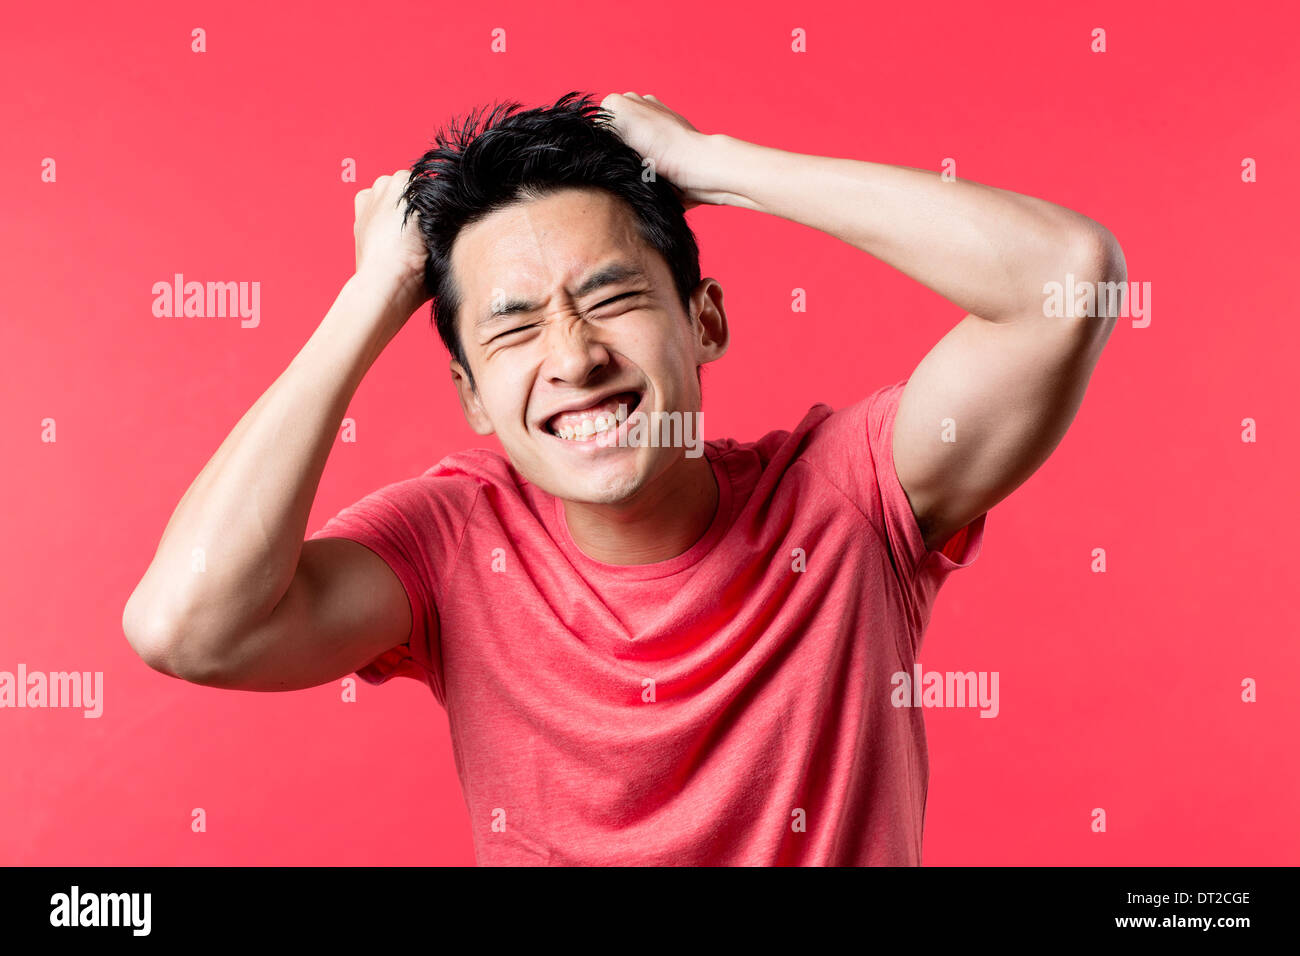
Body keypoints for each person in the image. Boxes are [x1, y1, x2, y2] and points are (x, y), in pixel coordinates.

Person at [122, 90, 1125, 865]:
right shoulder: (456, 542)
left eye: (611, 298)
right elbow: (187, 624)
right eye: (514, 326)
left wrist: (712, 166)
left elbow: (1065, 278)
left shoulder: (850, 496)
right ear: (472, 397)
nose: (571, 354)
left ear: (706, 321)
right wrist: (369, 295)